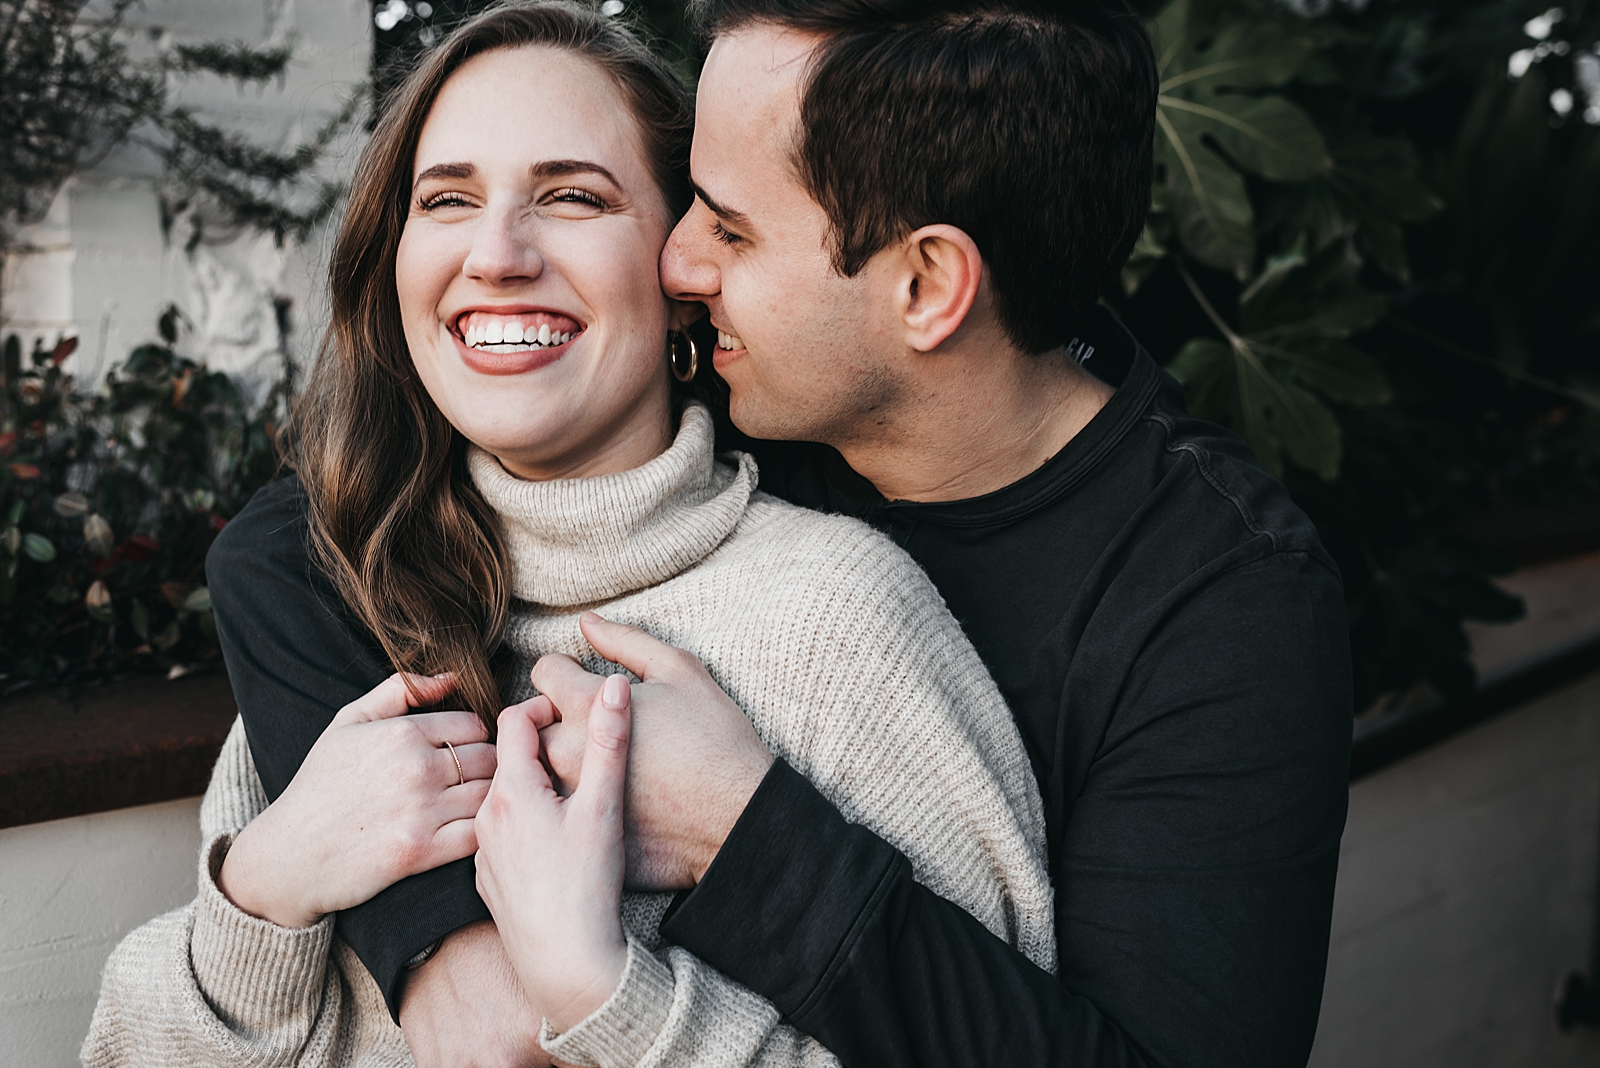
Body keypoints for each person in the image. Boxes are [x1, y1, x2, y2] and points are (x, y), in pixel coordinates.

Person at [310, 1, 1352, 1067]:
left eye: (728, 226)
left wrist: (742, 830)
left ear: (926, 285)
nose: (676, 266)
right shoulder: (723, 384)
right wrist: (439, 937)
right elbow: (321, 525)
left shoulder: (1223, 609)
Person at [80, 4, 1059, 1066]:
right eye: (446, 198)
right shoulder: (345, 618)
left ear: (685, 272)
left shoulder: (840, 624)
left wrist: (614, 999)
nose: (495, 254)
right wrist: (262, 891)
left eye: (572, 197)